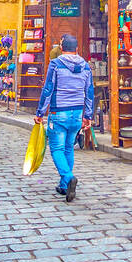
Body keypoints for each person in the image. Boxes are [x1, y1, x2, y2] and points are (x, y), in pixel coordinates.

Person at [35, 33, 94, 202]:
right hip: (76, 114)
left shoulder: (55, 64)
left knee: (57, 149)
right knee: (68, 148)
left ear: (61, 49)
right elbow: (89, 92)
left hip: (58, 112)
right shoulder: (85, 66)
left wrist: (40, 112)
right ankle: (63, 185)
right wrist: (87, 115)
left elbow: (48, 89)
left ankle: (68, 178)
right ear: (76, 49)